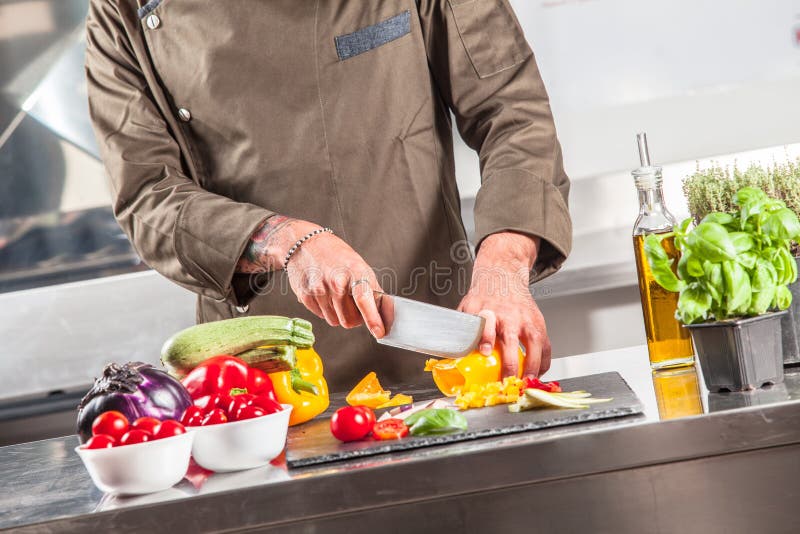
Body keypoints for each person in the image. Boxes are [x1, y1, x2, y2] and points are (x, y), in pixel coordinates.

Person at [85, 0, 572, 390]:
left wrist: (503, 268)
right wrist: (283, 239)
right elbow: (147, 194)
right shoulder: (119, 10)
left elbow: (513, 114)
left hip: (436, 358)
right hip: (259, 387)